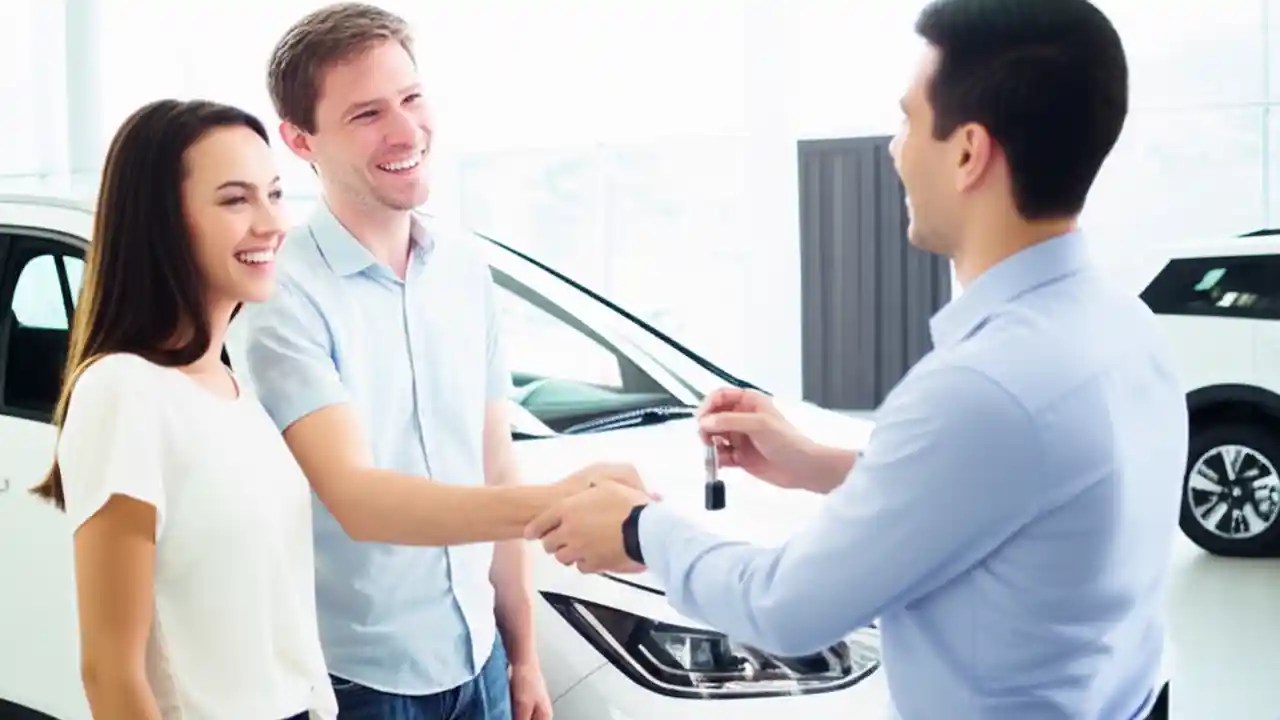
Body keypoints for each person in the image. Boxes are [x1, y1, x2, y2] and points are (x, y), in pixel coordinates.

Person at [524, 1, 1185, 718]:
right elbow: (1005, 487)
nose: (894, 149)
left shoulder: (981, 387)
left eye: (906, 120)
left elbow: (785, 607)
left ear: (967, 152)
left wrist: (636, 529)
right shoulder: (1124, 326)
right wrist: (812, 462)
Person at [227, 4, 642, 719]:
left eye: (411, 98)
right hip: (359, 681)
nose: (405, 130)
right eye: (366, 115)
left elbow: (494, 466)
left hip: (476, 657)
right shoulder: (281, 295)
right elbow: (358, 498)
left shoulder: (464, 269)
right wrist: (564, 500)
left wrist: (523, 656)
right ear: (300, 140)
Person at [29, 99, 337, 719]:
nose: (272, 222)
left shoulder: (230, 389)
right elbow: (110, 674)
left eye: (274, 193)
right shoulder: (124, 391)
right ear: (162, 224)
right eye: (235, 200)